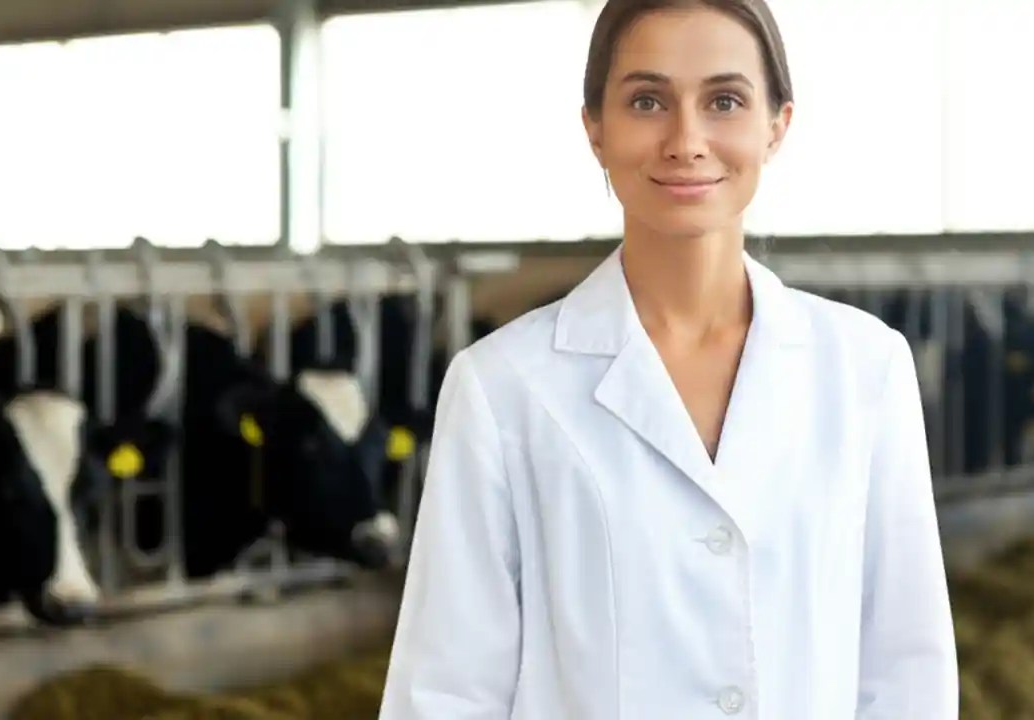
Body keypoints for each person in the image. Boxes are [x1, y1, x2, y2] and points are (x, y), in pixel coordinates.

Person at [378, 0, 959, 717]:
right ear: (595, 128)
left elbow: (907, 673)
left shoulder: (866, 369)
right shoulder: (503, 388)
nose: (686, 141)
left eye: (725, 101)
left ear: (777, 126)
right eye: (647, 101)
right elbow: (446, 690)